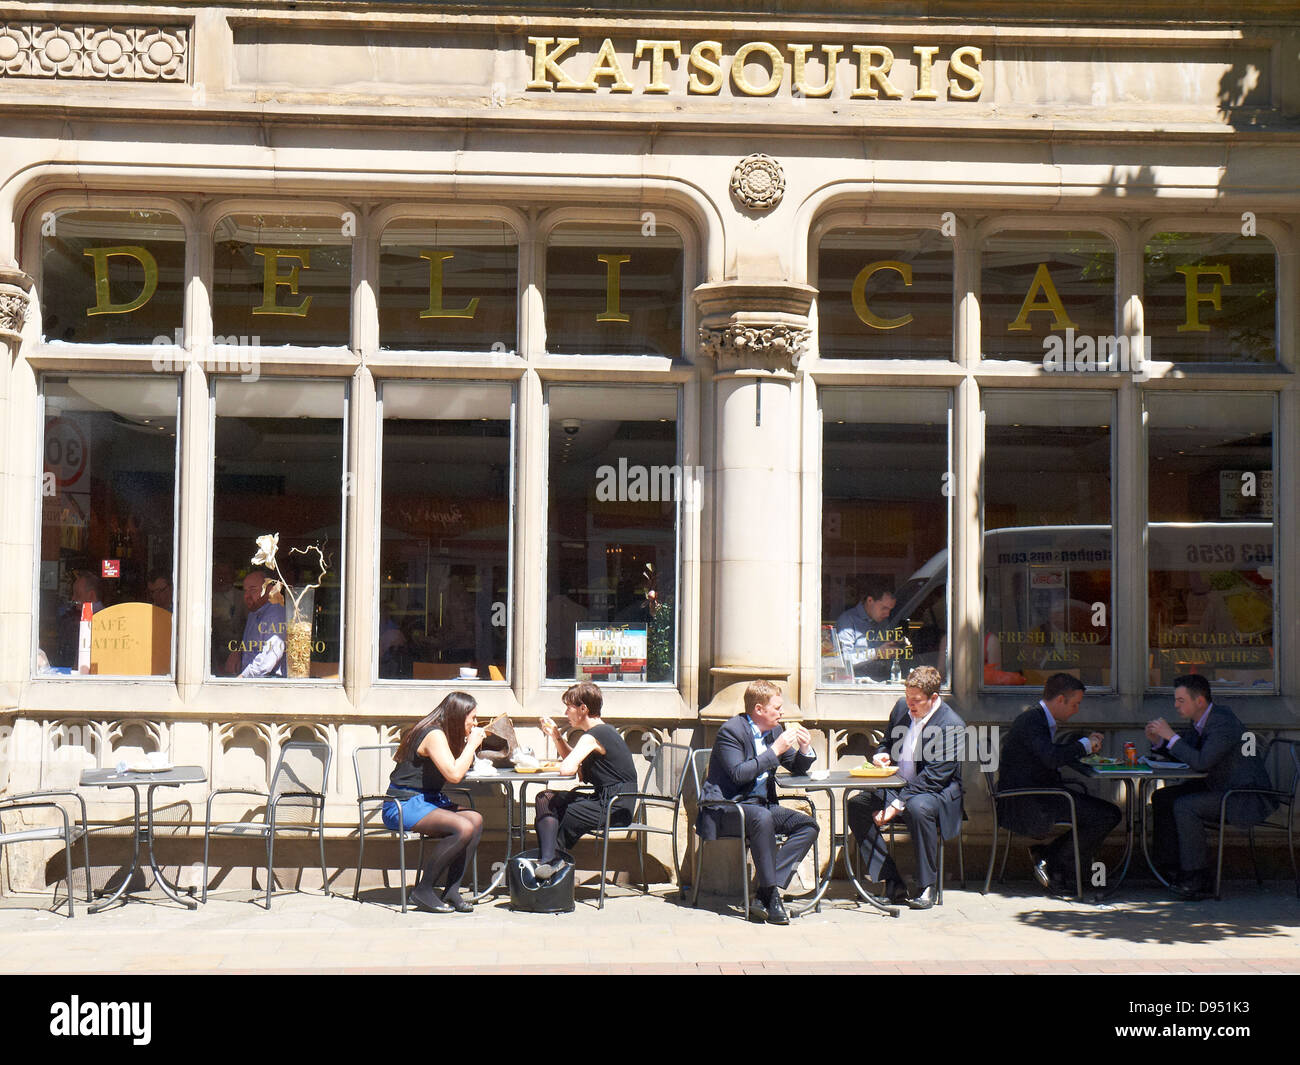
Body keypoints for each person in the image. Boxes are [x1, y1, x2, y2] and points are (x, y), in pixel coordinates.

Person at [696, 679, 818, 925]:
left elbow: (795, 766)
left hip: (760, 806)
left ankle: (766, 890)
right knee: (761, 817)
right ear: (759, 709)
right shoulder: (732, 731)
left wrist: (805, 749)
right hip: (726, 808)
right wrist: (774, 751)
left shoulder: (774, 730)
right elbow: (738, 774)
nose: (781, 713)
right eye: (776, 708)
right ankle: (772, 896)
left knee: (808, 826)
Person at [1145, 674, 1277, 899]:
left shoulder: (1222, 722)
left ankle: (1197, 877)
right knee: (1163, 797)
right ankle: (1169, 867)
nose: (1175, 705)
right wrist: (1159, 741)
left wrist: (1170, 736)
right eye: (1175, 700)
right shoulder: (1200, 721)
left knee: (1186, 806)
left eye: (1181, 700)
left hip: (1242, 795)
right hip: (1218, 787)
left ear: (1200, 701)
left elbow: (1201, 761)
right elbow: (1187, 751)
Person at [846, 666, 964, 910]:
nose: (910, 704)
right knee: (857, 804)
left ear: (933, 698)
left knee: (917, 807)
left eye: (916, 701)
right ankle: (892, 881)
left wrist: (895, 805)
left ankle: (926, 885)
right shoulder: (902, 708)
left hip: (935, 792)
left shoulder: (952, 725)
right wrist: (882, 755)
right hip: (898, 785)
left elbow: (934, 777)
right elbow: (885, 743)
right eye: (908, 697)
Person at [995, 673, 1120, 895]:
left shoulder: (1037, 719)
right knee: (1108, 815)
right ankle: (1055, 863)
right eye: (1075, 704)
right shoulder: (1033, 721)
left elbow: (1048, 756)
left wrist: (1081, 747)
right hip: (1028, 802)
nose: (1077, 710)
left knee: (1102, 813)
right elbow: (1050, 757)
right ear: (1060, 700)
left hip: (1037, 794)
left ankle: (1056, 862)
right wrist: (1084, 746)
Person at [382, 691, 487, 913]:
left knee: (475, 820)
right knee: (463, 826)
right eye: (473, 718)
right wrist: (471, 745)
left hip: (428, 800)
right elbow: (454, 775)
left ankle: (452, 890)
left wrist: (468, 745)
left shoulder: (446, 734)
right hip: (403, 803)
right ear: (459, 716)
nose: (476, 723)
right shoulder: (434, 735)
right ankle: (423, 890)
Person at [533, 681, 637, 880]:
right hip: (606, 800)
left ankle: (552, 864)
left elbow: (567, 769)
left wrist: (569, 757)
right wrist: (556, 735)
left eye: (569, 707)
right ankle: (548, 861)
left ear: (583, 709)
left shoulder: (593, 736)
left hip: (615, 806)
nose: (565, 713)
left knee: (567, 810)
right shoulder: (601, 732)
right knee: (545, 798)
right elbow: (574, 762)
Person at [835, 579, 901, 680]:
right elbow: (842, 661)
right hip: (857, 683)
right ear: (870, 600)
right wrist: (876, 653)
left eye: (890, 610)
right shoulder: (848, 621)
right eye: (884, 608)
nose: (887, 614)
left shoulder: (883, 622)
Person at [235, 567, 286, 678]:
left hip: (269, 685)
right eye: (245, 590)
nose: (246, 596)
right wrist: (238, 652)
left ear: (270, 590)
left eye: (253, 590)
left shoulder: (276, 613)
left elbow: (269, 657)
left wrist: (242, 678)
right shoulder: (253, 612)